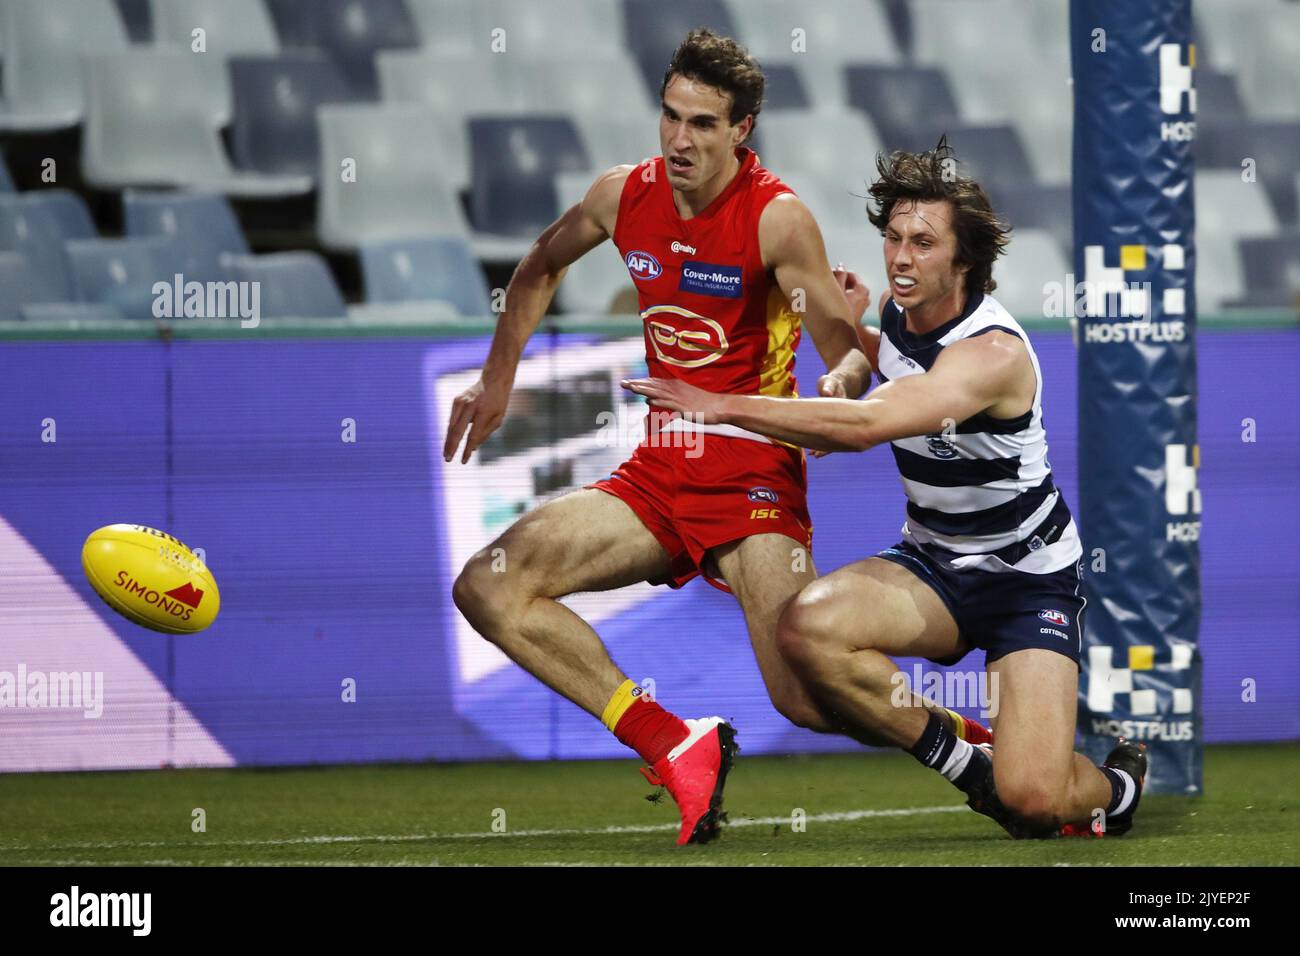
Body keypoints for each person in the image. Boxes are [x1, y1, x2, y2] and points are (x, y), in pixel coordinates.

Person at [624, 137, 1147, 839]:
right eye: (894, 237)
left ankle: (1112, 790)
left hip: (1027, 582)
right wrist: (851, 354)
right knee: (806, 630)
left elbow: (868, 425)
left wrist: (722, 404)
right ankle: (966, 766)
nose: (901, 256)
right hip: (934, 565)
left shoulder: (991, 354)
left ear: (964, 262)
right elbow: (877, 367)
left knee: (1035, 802)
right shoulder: (902, 318)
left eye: (923, 243)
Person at [445, 29, 885, 846]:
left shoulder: (778, 220)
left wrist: (843, 382)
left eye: (704, 124)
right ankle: (674, 744)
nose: (680, 139)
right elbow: (540, 265)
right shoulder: (624, 195)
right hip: (661, 472)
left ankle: (984, 750)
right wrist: (496, 377)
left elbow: (845, 353)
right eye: (670, 116)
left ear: (741, 130)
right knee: (489, 587)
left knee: (809, 694)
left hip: (753, 477)